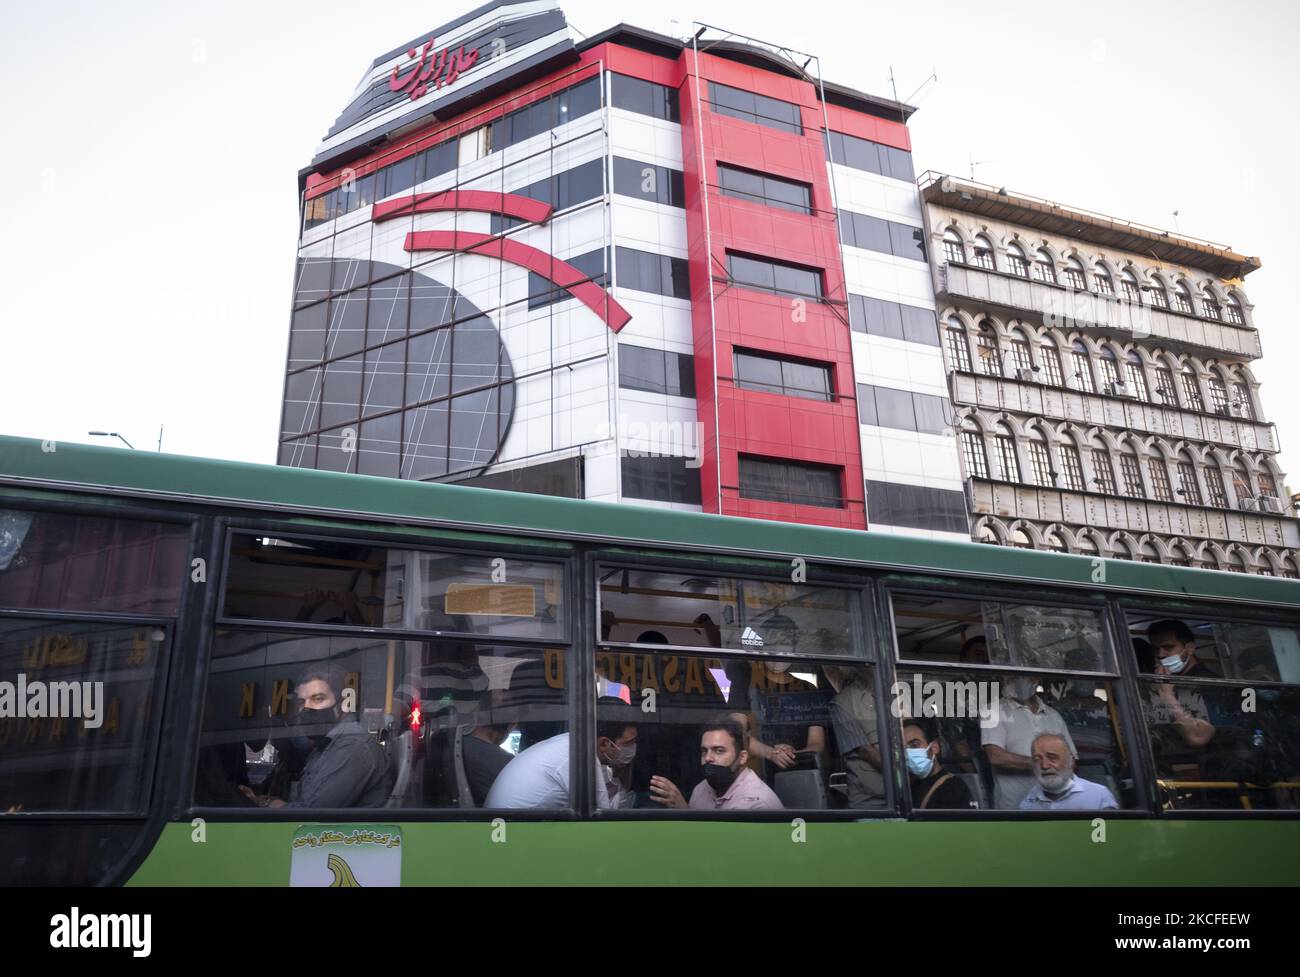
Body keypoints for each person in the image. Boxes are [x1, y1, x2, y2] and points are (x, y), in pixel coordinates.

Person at [240, 665, 390, 809]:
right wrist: (261, 799)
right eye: (301, 702)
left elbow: (313, 813)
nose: (306, 708)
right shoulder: (325, 745)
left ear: (343, 702)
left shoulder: (353, 747)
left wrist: (266, 804)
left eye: (318, 699)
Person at [484, 697, 636, 808]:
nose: (633, 748)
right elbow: (604, 820)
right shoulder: (581, 756)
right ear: (604, 743)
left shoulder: (569, 742)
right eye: (628, 743)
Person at [981, 674, 1077, 809]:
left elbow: (1071, 760)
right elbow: (996, 757)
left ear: (1036, 679)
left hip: (1057, 806)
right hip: (1015, 807)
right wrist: (1042, 763)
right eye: (1009, 677)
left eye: (1019, 676)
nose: (1013, 681)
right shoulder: (992, 711)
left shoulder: (1053, 715)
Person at [647, 718, 783, 810]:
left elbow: (724, 851)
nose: (708, 758)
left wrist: (684, 811)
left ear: (742, 757)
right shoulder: (701, 790)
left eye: (719, 751)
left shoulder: (757, 803)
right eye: (704, 751)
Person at [825, 665, 885, 808]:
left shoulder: (889, 695)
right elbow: (865, 750)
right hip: (872, 805)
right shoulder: (843, 702)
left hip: (903, 799)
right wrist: (902, 772)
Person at [1019, 733, 1118, 811]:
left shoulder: (1098, 796)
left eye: (1052, 758)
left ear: (1071, 761)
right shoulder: (1029, 801)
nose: (1045, 766)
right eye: (1037, 759)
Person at [903, 719, 975, 809]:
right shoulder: (908, 788)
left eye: (915, 745)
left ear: (934, 747)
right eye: (904, 748)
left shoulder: (953, 788)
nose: (908, 752)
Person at [1147, 619, 1219, 677]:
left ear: (1190, 648)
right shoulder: (1167, 679)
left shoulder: (1210, 682)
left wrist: (1167, 692)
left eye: (1168, 647)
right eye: (1156, 649)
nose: (1160, 655)